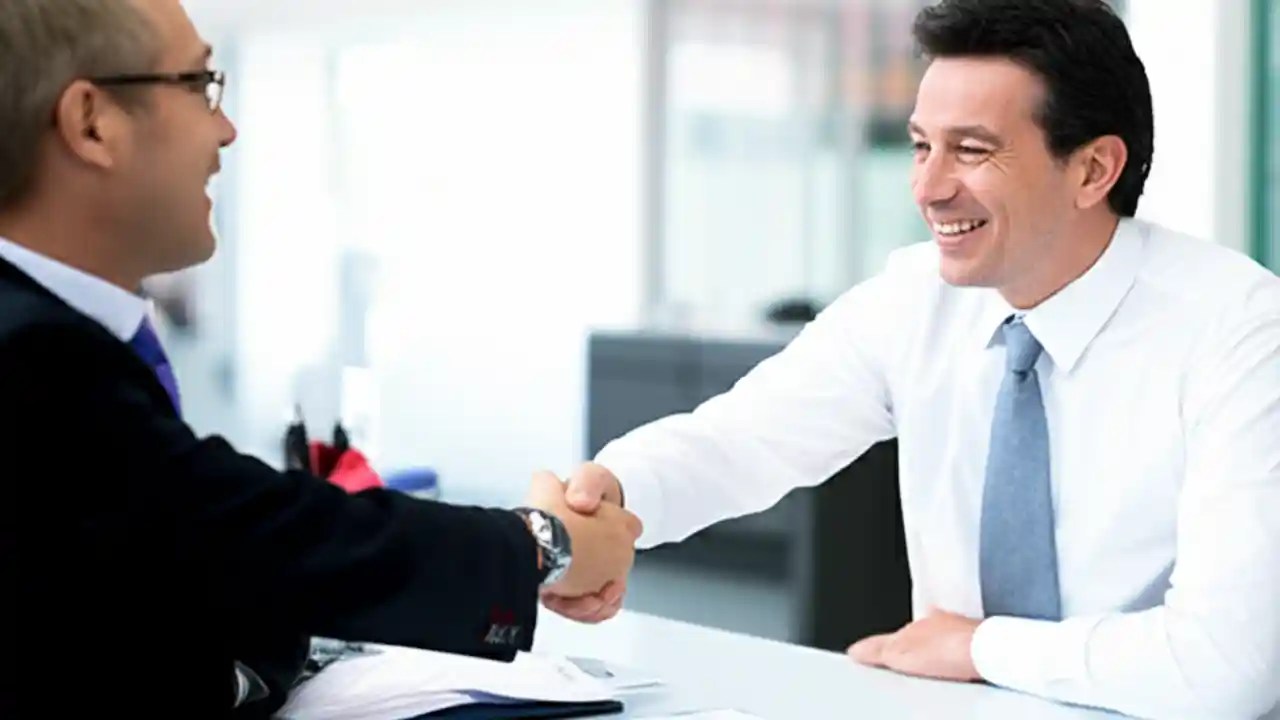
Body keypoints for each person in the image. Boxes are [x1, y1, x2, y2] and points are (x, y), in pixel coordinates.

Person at [542, 0, 1280, 717]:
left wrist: (980, 649)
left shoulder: (1240, 331)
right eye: (923, 144)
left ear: (1093, 170)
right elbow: (743, 440)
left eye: (972, 149)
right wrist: (615, 498)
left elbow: (1226, 668)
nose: (926, 188)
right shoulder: (913, 297)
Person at [0, 1, 641, 717]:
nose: (227, 128)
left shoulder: (56, 340)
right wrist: (542, 545)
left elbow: (179, 561)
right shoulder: (35, 359)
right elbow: (256, 539)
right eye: (200, 85)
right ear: (93, 121)